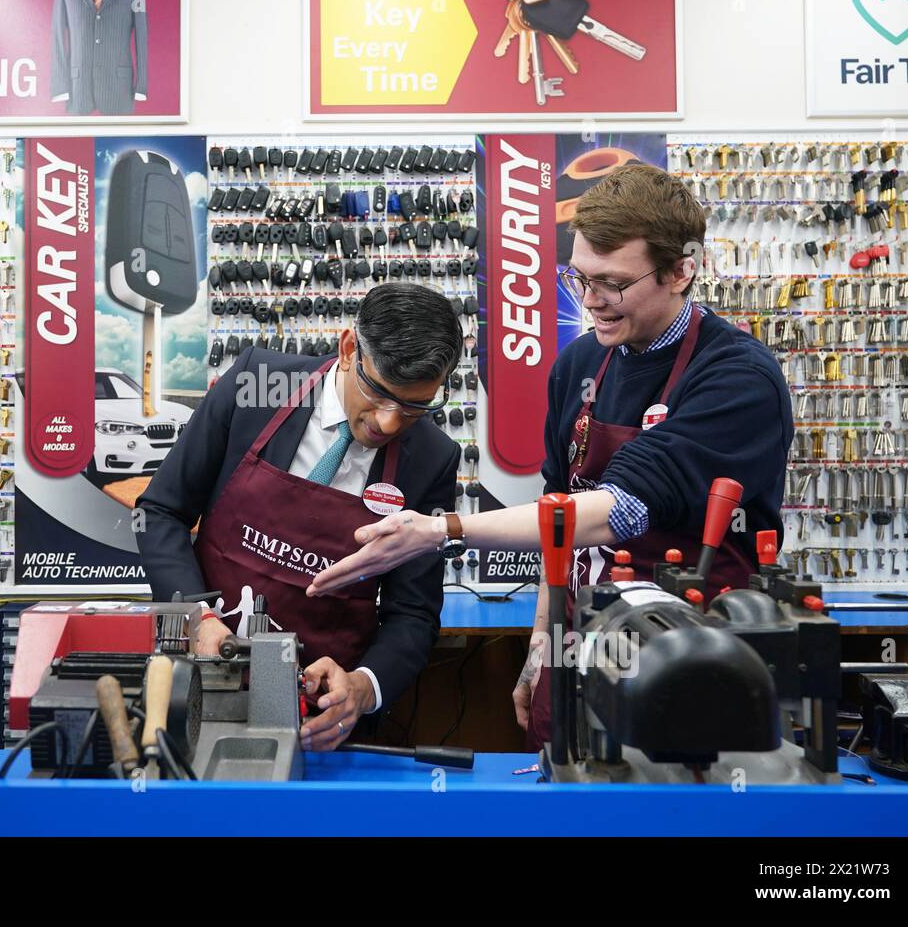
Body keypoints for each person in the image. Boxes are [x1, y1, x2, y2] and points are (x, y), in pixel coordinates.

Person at [308, 165, 794, 750]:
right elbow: (558, 513)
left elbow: (616, 511)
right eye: (579, 279)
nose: (591, 302)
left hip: (702, 657)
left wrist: (443, 529)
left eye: (612, 284)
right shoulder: (580, 365)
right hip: (584, 645)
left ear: (682, 270)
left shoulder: (738, 379)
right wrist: (543, 639)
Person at [136, 283, 464, 750]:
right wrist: (198, 616)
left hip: (320, 725)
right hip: (201, 686)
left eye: (414, 407)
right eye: (379, 394)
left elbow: (412, 612)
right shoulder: (257, 385)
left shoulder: (431, 457)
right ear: (349, 349)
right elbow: (161, 512)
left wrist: (364, 687)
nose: (389, 423)